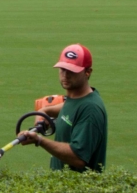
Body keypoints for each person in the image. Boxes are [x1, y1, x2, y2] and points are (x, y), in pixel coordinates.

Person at [16, 43, 107, 172]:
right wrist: (44, 111)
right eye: (63, 69)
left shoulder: (90, 110)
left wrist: (39, 140)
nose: (65, 75)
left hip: (76, 189)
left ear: (87, 72)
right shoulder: (76, 98)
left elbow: (78, 158)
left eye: (72, 71)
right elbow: (69, 107)